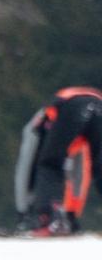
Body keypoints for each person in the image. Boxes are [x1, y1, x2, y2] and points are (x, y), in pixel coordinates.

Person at [12, 85, 102, 236]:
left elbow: (25, 166)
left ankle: (47, 219)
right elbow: (80, 174)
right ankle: (59, 219)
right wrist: (71, 214)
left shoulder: (38, 126)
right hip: (98, 104)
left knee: (50, 164)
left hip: (71, 104)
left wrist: (23, 213)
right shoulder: (76, 141)